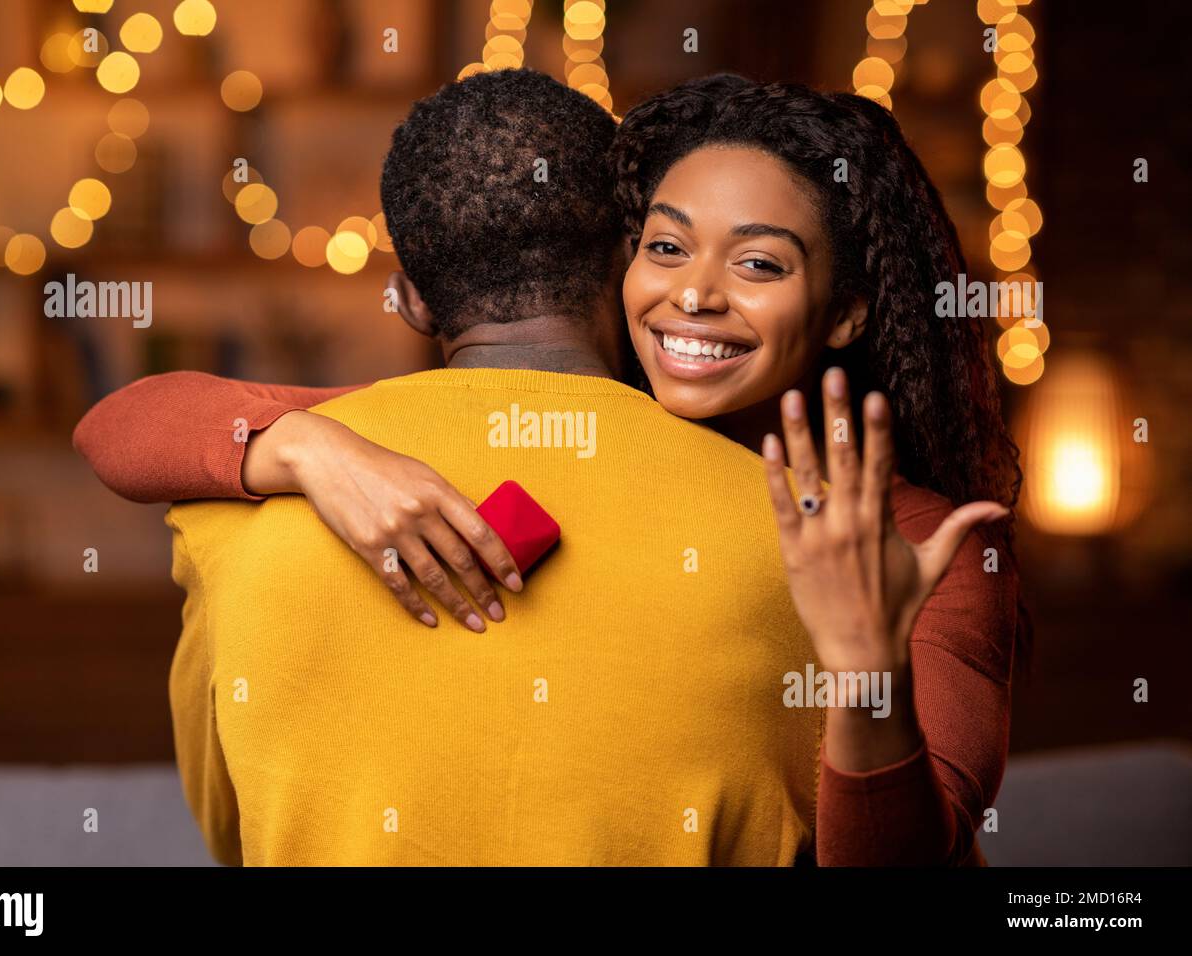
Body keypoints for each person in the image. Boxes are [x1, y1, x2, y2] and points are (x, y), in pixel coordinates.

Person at [75, 71, 1025, 866]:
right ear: (619, 262)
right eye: (666, 245)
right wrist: (304, 446)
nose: (693, 293)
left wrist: (866, 671)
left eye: (761, 265)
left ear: (849, 310)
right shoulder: (353, 447)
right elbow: (125, 424)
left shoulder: (927, 546)